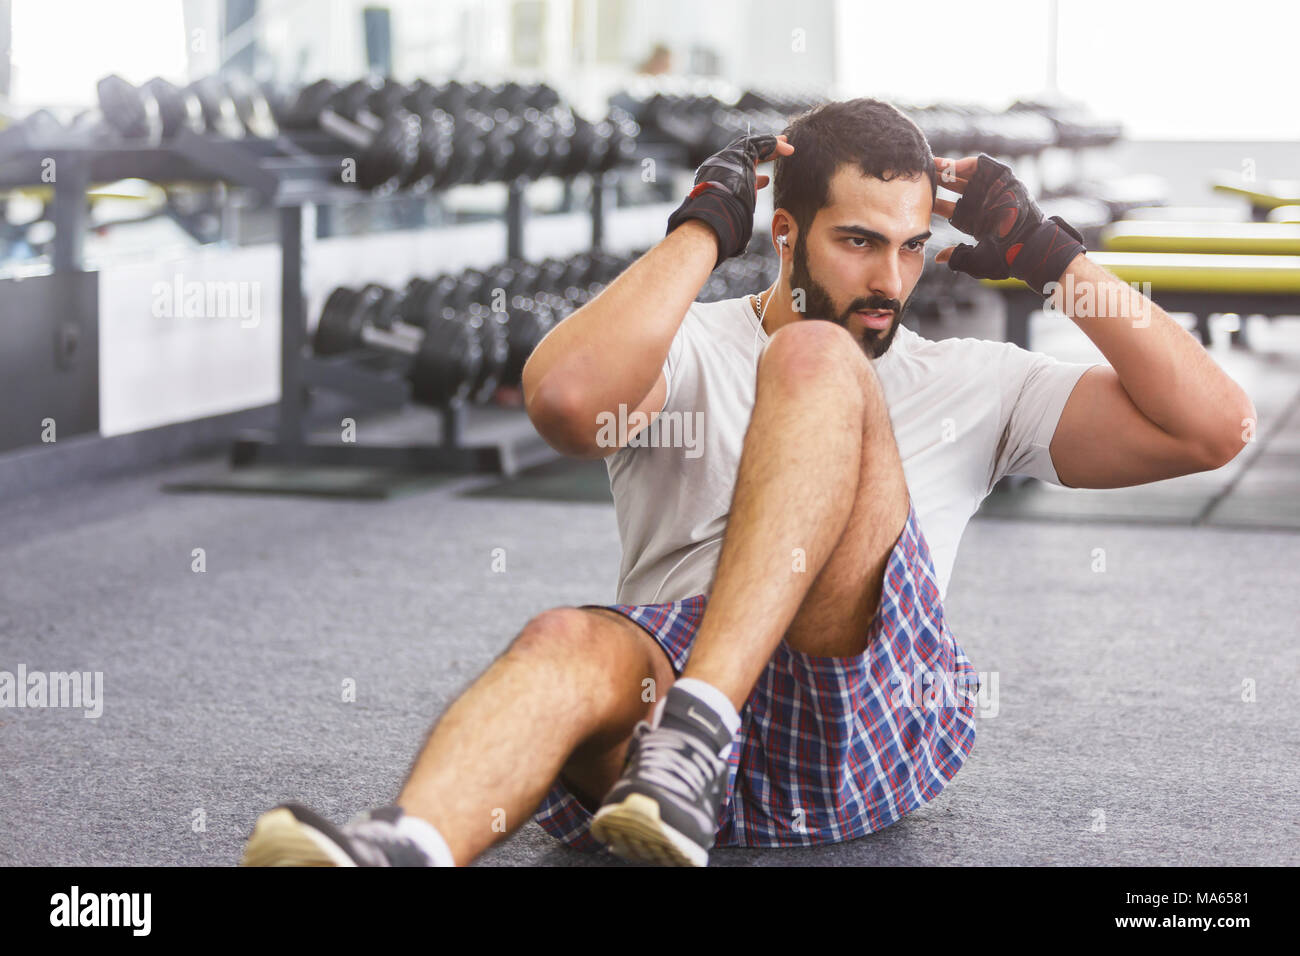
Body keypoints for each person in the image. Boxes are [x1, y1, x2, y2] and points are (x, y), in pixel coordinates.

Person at [240, 98, 1255, 868]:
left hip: (855, 717)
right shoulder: (681, 348)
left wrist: (1045, 248)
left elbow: (1213, 426)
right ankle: (407, 844)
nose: (891, 281)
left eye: (911, 247)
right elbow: (562, 402)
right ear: (783, 233)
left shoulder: (973, 383)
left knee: (816, 362)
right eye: (858, 241)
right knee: (565, 637)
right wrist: (700, 227)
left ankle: (698, 726)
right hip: (660, 764)